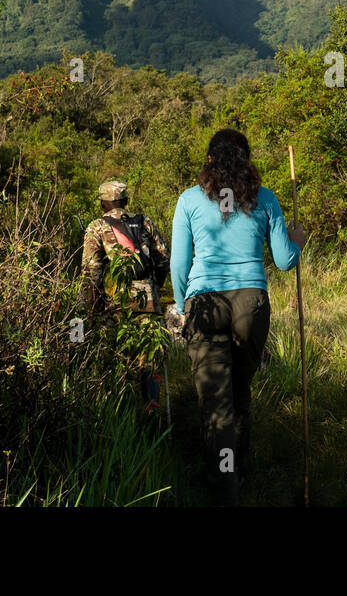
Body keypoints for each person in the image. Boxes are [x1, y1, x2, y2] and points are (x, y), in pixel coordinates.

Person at [170, 129, 305, 505]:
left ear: (209, 160)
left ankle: (224, 489)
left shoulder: (189, 200)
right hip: (251, 303)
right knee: (240, 392)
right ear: (247, 161)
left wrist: (183, 309)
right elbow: (283, 261)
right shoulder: (265, 199)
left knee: (216, 403)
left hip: (204, 304)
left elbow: (178, 264)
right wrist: (297, 242)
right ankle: (239, 469)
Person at [81, 180, 167, 316]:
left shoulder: (97, 226)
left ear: (102, 204)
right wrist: (155, 288)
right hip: (148, 299)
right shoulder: (145, 221)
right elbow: (163, 258)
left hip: (114, 302)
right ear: (126, 201)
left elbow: (91, 269)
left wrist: (93, 308)